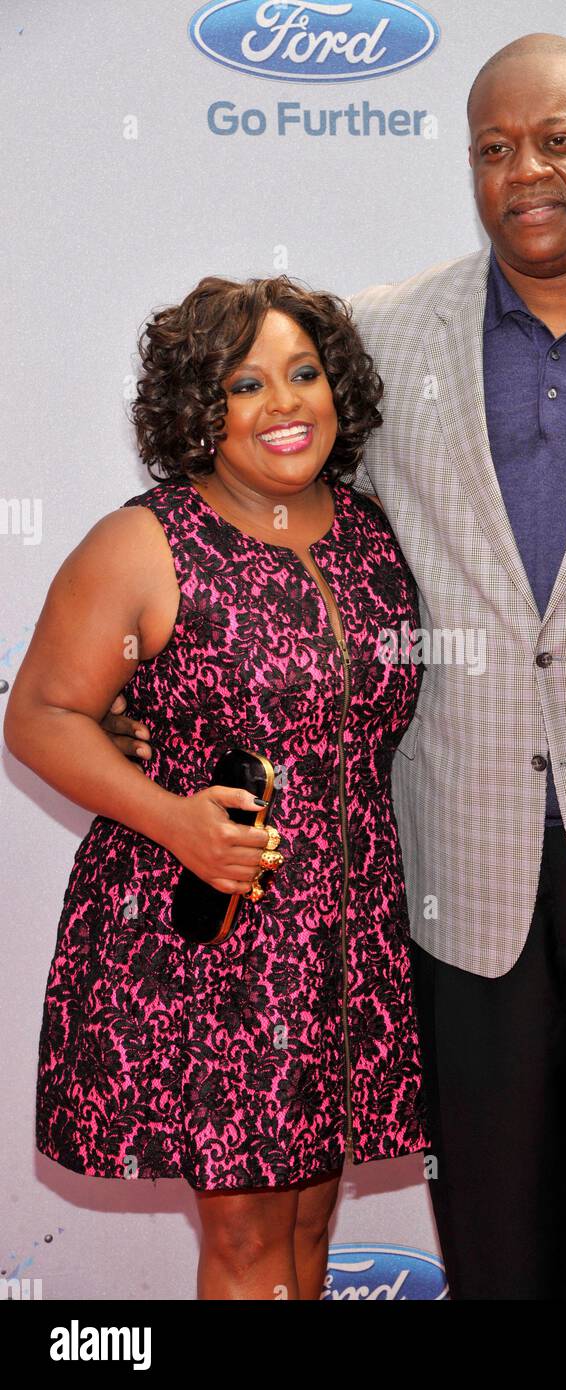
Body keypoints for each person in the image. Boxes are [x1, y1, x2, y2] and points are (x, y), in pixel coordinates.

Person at [104, 33, 566, 1300]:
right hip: (464, 866)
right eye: (496, 148)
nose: (528, 171)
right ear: (470, 166)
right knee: (510, 1253)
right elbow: (282, 527)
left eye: (559, 140)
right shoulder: (386, 340)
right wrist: (145, 671)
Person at [5, 274, 429, 1301]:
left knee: (313, 1221)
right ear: (199, 409)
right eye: (246, 384)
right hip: (214, 939)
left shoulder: (375, 535)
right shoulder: (146, 543)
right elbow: (39, 716)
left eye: (304, 373)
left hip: (346, 936)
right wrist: (175, 820)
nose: (285, 404)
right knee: (243, 1243)